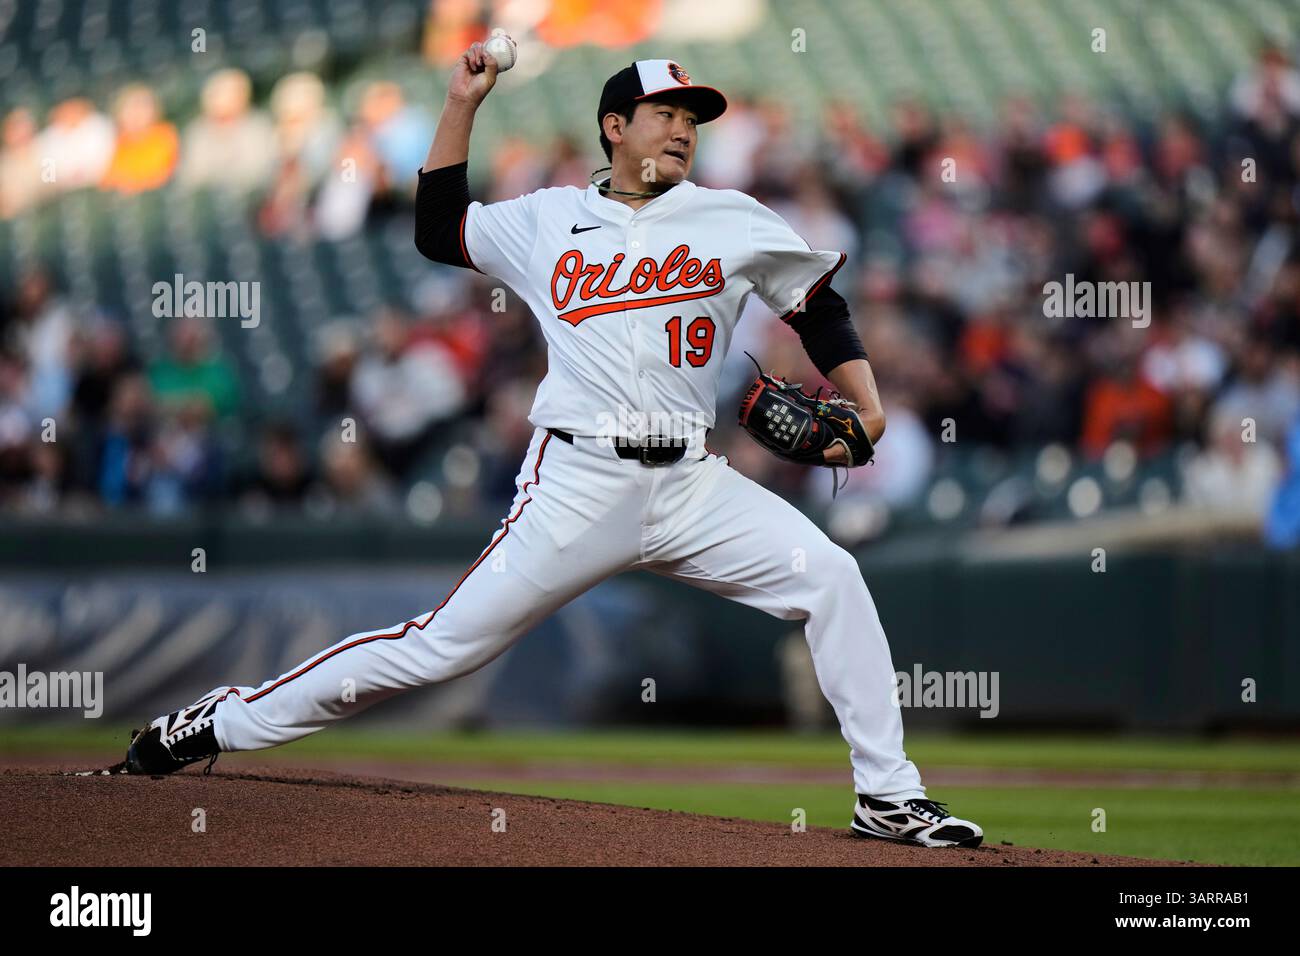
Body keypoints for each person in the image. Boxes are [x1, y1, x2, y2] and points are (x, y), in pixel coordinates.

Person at [119, 45, 983, 849]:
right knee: (438, 647)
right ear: (615, 127)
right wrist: (461, 103)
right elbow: (437, 229)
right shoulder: (547, 218)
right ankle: (219, 721)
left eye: (692, 118)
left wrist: (868, 404)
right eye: (665, 113)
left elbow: (817, 305)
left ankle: (887, 793)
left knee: (832, 576)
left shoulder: (731, 217)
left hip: (691, 480)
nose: (682, 129)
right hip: (578, 478)